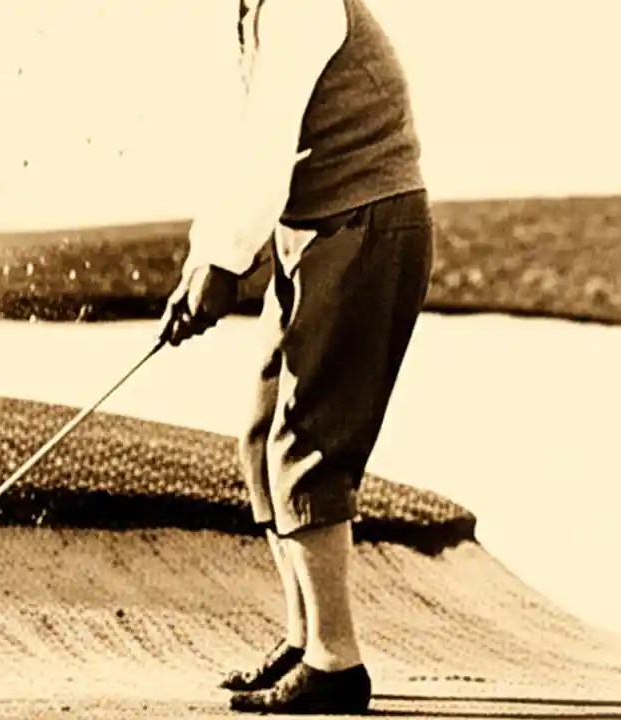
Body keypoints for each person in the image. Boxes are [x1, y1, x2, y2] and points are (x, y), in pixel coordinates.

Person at [158, 0, 434, 713]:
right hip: (312, 227)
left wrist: (222, 265)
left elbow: (270, 143)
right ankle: (303, 639)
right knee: (262, 431)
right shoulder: (256, 8)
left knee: (309, 438)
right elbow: (249, 141)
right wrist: (201, 264)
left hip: (365, 221)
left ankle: (337, 664)